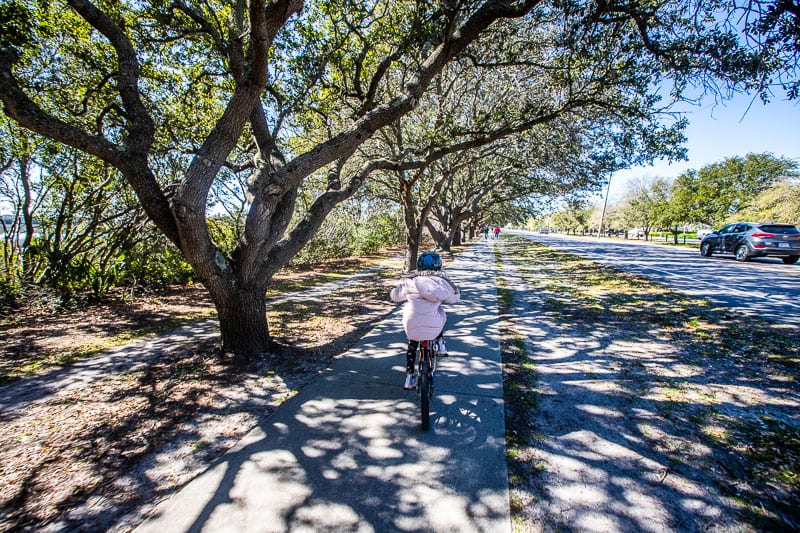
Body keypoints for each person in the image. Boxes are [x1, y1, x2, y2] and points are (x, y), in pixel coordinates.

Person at [390, 252, 461, 390]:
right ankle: (441, 344)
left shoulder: (410, 282)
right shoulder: (442, 283)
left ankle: (409, 378)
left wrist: (394, 289)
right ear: (439, 266)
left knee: (412, 346)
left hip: (411, 324)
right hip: (434, 326)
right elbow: (453, 299)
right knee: (440, 315)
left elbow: (395, 296)